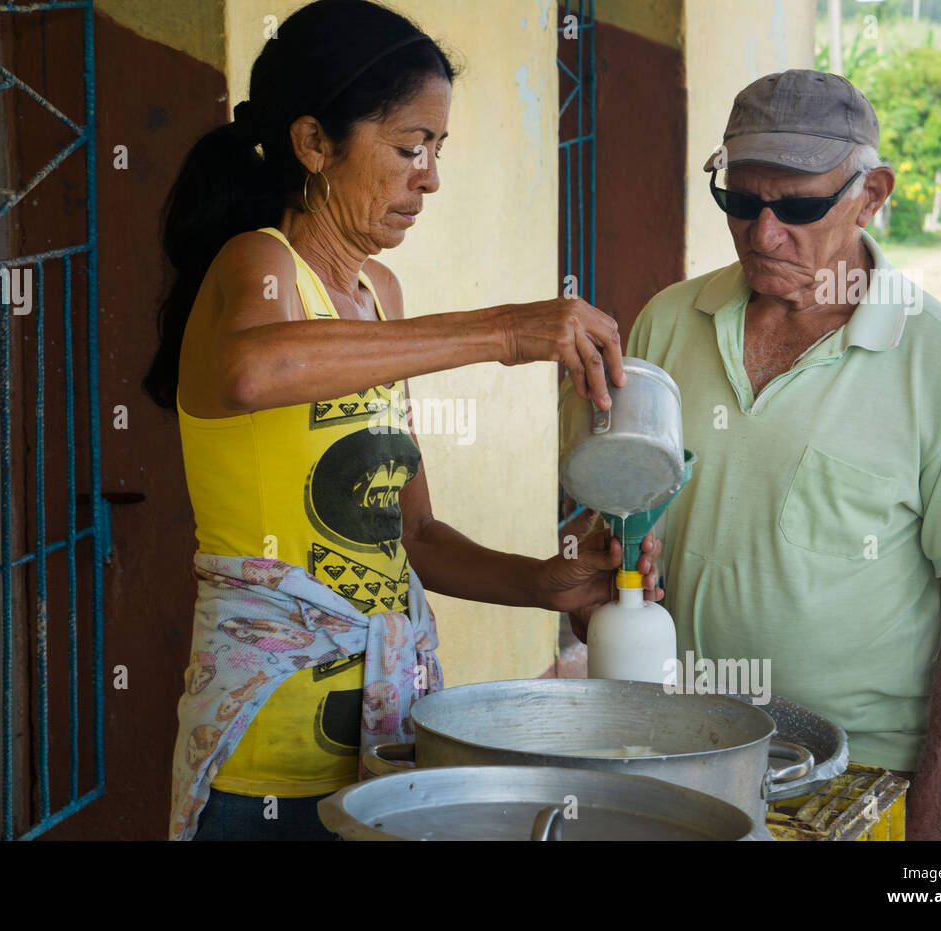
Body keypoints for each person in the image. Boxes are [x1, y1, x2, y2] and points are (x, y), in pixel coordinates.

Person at [143, 0, 661, 841]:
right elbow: (250, 371)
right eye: (409, 145)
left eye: (437, 150)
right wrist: (501, 331)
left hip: (387, 755)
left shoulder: (382, 298)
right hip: (264, 765)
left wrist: (542, 583)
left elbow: (412, 534)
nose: (429, 177)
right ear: (314, 143)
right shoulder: (259, 264)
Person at [585, 70, 941, 841]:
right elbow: (615, 526)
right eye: (741, 202)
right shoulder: (667, 325)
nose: (763, 233)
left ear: (873, 192)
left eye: (800, 207)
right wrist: (618, 555)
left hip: (861, 773)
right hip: (685, 755)